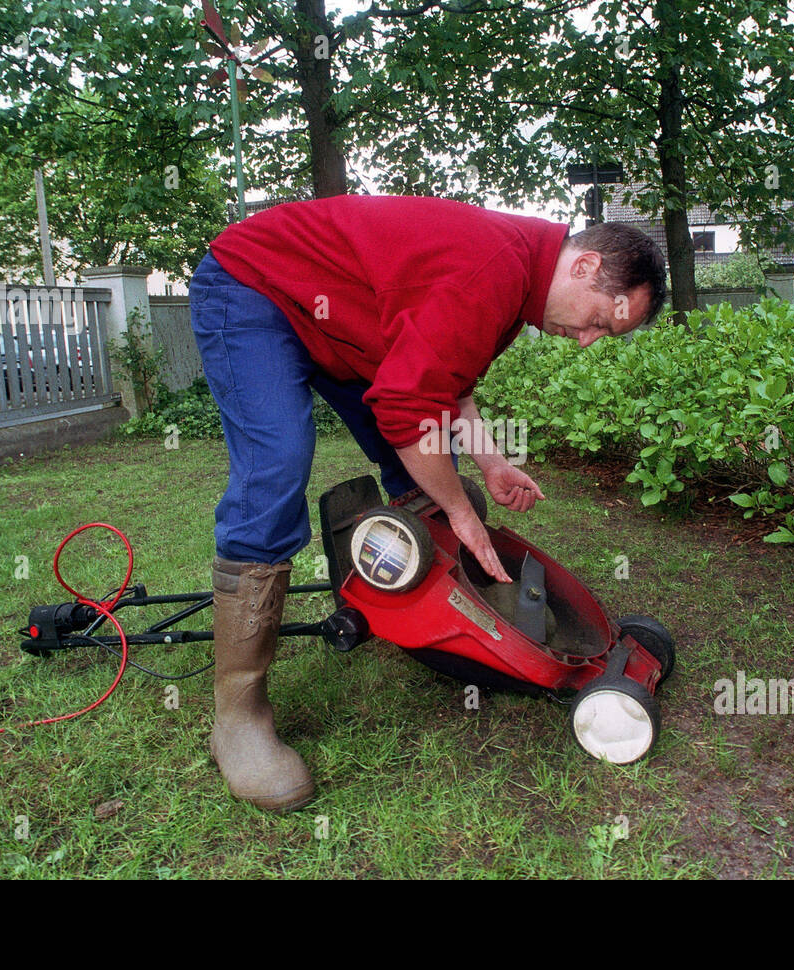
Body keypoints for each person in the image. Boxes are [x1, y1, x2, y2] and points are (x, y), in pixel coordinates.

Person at [189, 195, 666, 812]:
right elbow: (408, 409)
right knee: (277, 466)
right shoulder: (494, 269)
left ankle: (413, 606)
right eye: (600, 321)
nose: (587, 341)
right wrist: (462, 513)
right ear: (585, 266)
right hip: (256, 289)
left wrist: (491, 463)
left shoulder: (518, 278)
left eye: (604, 335)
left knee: (422, 472)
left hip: (338, 323)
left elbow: (448, 386)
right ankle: (239, 717)